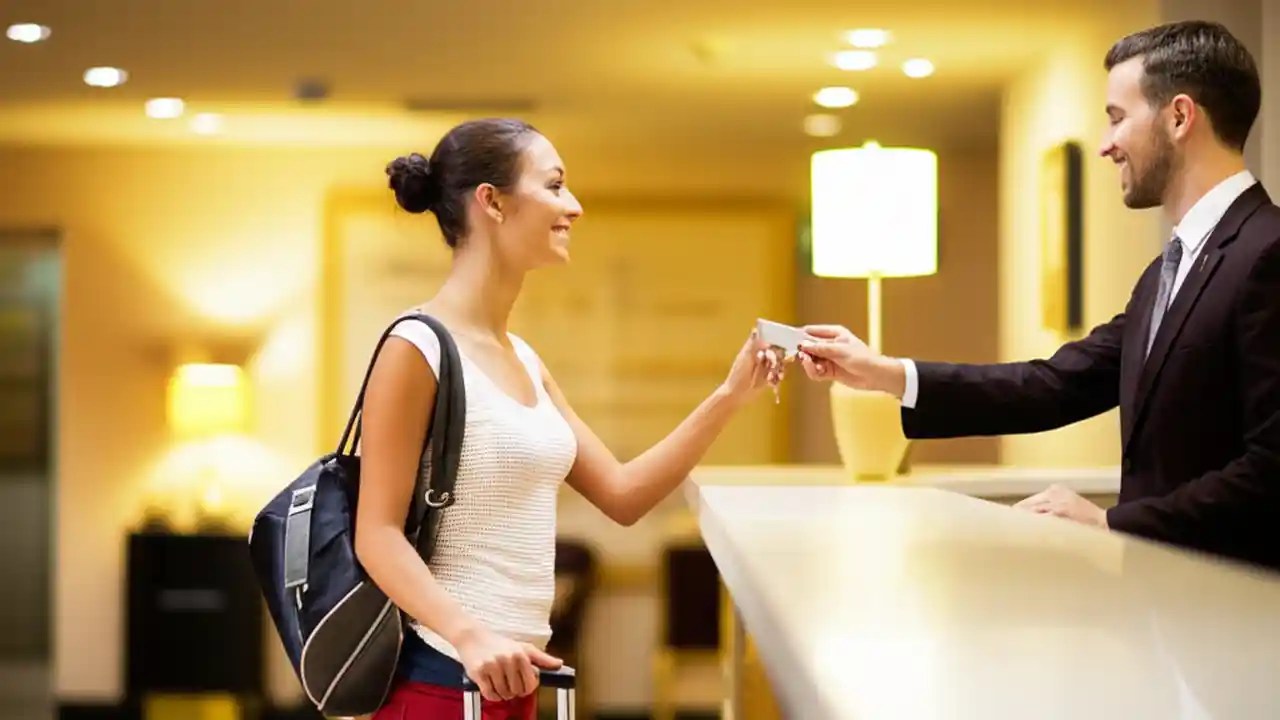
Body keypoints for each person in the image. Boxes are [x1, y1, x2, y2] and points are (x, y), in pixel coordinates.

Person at [795, 20, 1280, 572]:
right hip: (1171, 605)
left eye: (1117, 119)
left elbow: (1272, 468)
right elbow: (1052, 386)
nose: (1106, 145)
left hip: (1243, 612)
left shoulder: (1268, 253)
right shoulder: (1165, 272)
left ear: (1179, 117)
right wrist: (882, 373)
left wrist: (1111, 522)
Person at [352, 118, 784, 719]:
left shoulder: (524, 359)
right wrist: (470, 634)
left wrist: (731, 395)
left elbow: (624, 495)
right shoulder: (414, 348)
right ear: (492, 202)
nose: (574, 207)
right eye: (554, 186)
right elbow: (376, 533)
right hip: (443, 680)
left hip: (514, 682)